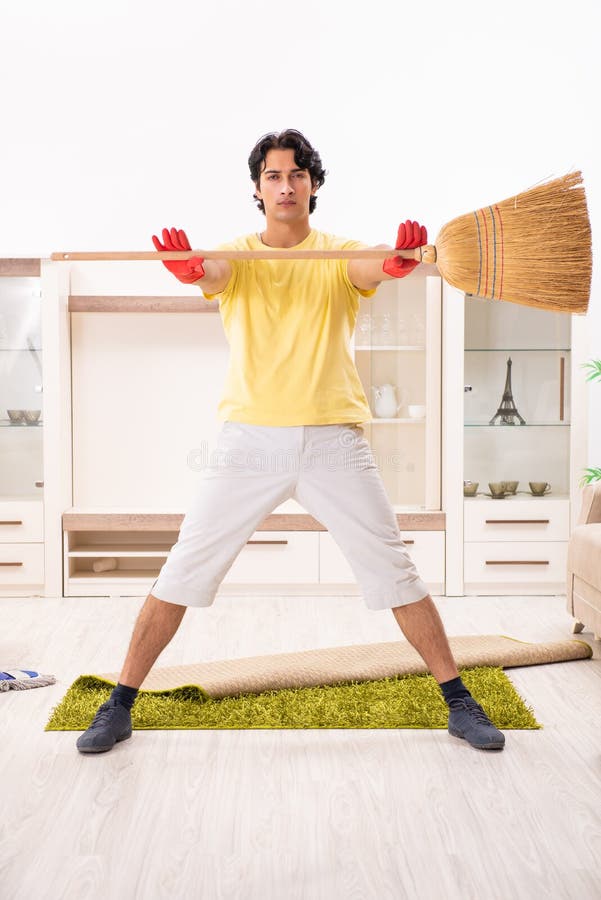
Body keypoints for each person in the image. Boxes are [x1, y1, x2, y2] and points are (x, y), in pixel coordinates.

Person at [76, 129, 505, 754]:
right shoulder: (238, 257)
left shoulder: (337, 253)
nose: (285, 184)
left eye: (297, 174)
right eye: (274, 175)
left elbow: (371, 265)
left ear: (312, 185)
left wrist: (395, 262)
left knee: (394, 569)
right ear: (258, 189)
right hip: (249, 439)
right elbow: (214, 271)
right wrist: (194, 269)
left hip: (334, 440)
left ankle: (459, 702)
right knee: (183, 568)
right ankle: (118, 705)